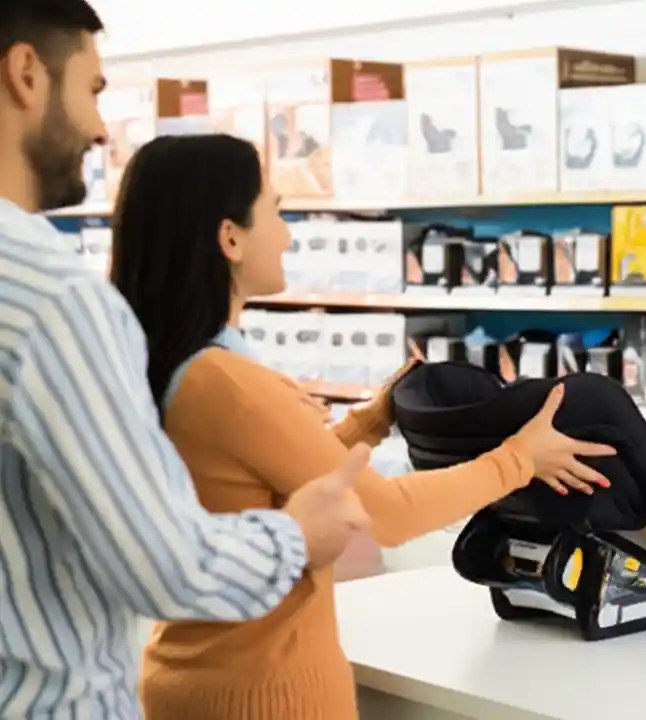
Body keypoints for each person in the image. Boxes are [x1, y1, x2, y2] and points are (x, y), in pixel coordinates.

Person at [108, 133, 617, 720]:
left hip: (191, 675)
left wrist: (365, 426)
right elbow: (388, 513)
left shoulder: (168, 366)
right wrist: (520, 458)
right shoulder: (228, 384)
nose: (289, 233)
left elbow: (256, 487)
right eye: (275, 211)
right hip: (262, 695)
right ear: (230, 238)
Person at [0, 3, 375, 718]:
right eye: (93, 89)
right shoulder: (53, 299)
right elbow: (164, 564)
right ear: (26, 75)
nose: (101, 128)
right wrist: (297, 535)